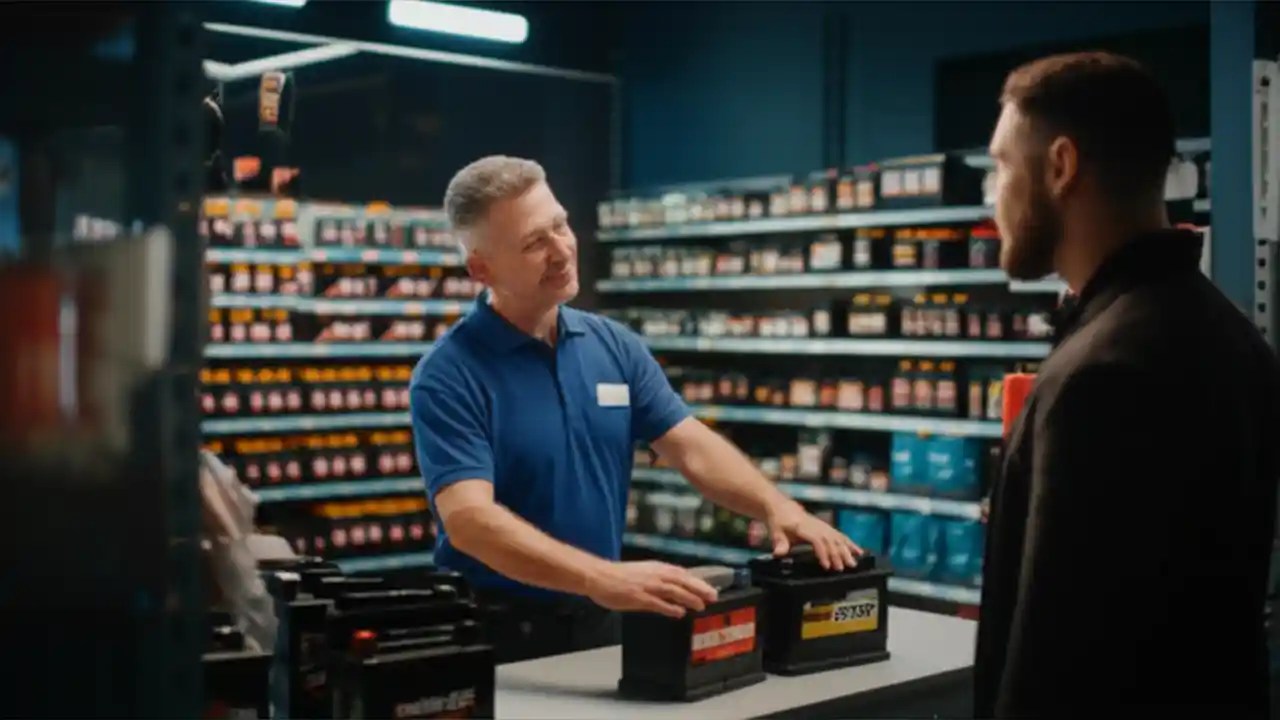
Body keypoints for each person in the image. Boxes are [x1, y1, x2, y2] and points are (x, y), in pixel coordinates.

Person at [410, 155, 861, 664]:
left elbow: (690, 446)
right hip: (499, 635)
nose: (561, 250)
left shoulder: (611, 345)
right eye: (534, 242)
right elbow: (470, 520)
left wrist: (778, 507)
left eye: (560, 225)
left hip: (600, 615)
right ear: (480, 269)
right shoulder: (449, 375)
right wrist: (599, 576)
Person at [975, 50, 1280, 717]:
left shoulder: (1102, 375)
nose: (994, 196)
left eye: (1001, 167)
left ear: (1061, 165)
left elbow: (1061, 668)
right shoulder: (1227, 333)